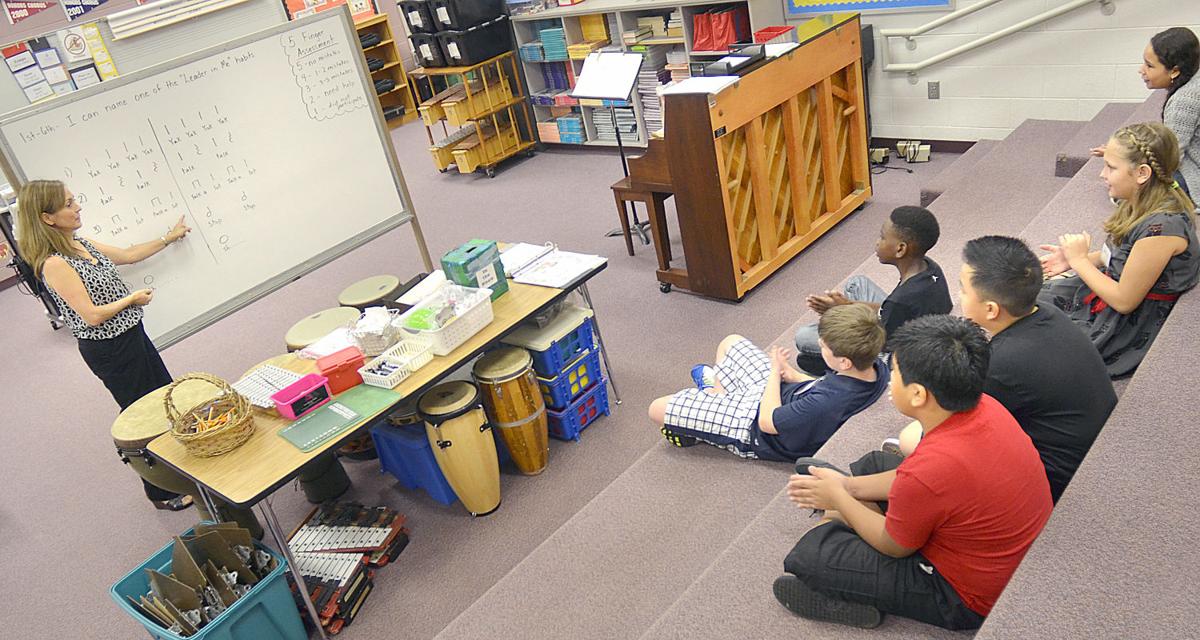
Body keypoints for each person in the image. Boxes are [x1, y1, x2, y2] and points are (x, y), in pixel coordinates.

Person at [774, 315, 1052, 630]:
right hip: (990, 544)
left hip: (963, 595)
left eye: (894, 372)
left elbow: (894, 545)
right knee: (873, 464)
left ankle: (845, 578)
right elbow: (914, 476)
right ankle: (844, 508)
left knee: (811, 554)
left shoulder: (933, 466)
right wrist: (849, 487)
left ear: (919, 394)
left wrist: (838, 495)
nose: (889, 380)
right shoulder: (984, 406)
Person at [14, 179, 194, 511]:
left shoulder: (80, 244)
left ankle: (179, 470)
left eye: (74, 200)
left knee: (164, 398)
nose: (77, 207)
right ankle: (159, 492)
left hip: (132, 334)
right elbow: (91, 315)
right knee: (141, 415)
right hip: (109, 350)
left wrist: (169, 237)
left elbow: (128, 255)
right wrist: (132, 299)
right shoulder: (54, 263)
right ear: (47, 217)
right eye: (68, 204)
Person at [957, 236, 1116, 502]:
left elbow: (962, 431)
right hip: (1096, 448)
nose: (959, 295)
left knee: (914, 439)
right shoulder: (1047, 311)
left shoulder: (1000, 363)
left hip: (1058, 481)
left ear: (991, 309)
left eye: (962, 289)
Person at [1042, 122, 1199, 378]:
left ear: (1142, 173)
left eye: (1111, 167)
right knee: (1032, 299)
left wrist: (1080, 261)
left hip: (1131, 321)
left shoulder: (1161, 229)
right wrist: (1074, 261)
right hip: (1118, 283)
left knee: (1046, 340)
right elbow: (1120, 255)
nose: (1102, 174)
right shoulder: (1140, 200)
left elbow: (1125, 301)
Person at [648, 303, 887, 462]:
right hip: (785, 394)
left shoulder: (826, 403)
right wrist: (793, 375)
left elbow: (767, 423)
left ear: (844, 362)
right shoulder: (875, 368)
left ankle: (710, 395)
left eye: (824, 347)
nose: (820, 347)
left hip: (755, 428)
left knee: (657, 409)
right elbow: (820, 387)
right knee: (730, 342)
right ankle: (713, 401)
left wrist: (774, 373)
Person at [793, 206, 951, 375]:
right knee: (856, 284)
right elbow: (888, 308)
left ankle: (852, 368)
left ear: (900, 249)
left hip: (895, 353)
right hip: (910, 323)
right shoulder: (929, 266)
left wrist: (840, 312)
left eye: (882, 237)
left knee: (803, 337)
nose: (877, 242)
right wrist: (849, 304)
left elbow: (876, 342)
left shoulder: (900, 300)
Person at [1095, 28, 1200, 194]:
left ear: (1175, 71)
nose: (1141, 70)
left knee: (1130, 183)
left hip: (1195, 174)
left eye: (1150, 66)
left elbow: (1170, 156)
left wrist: (1124, 155)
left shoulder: (1184, 101)